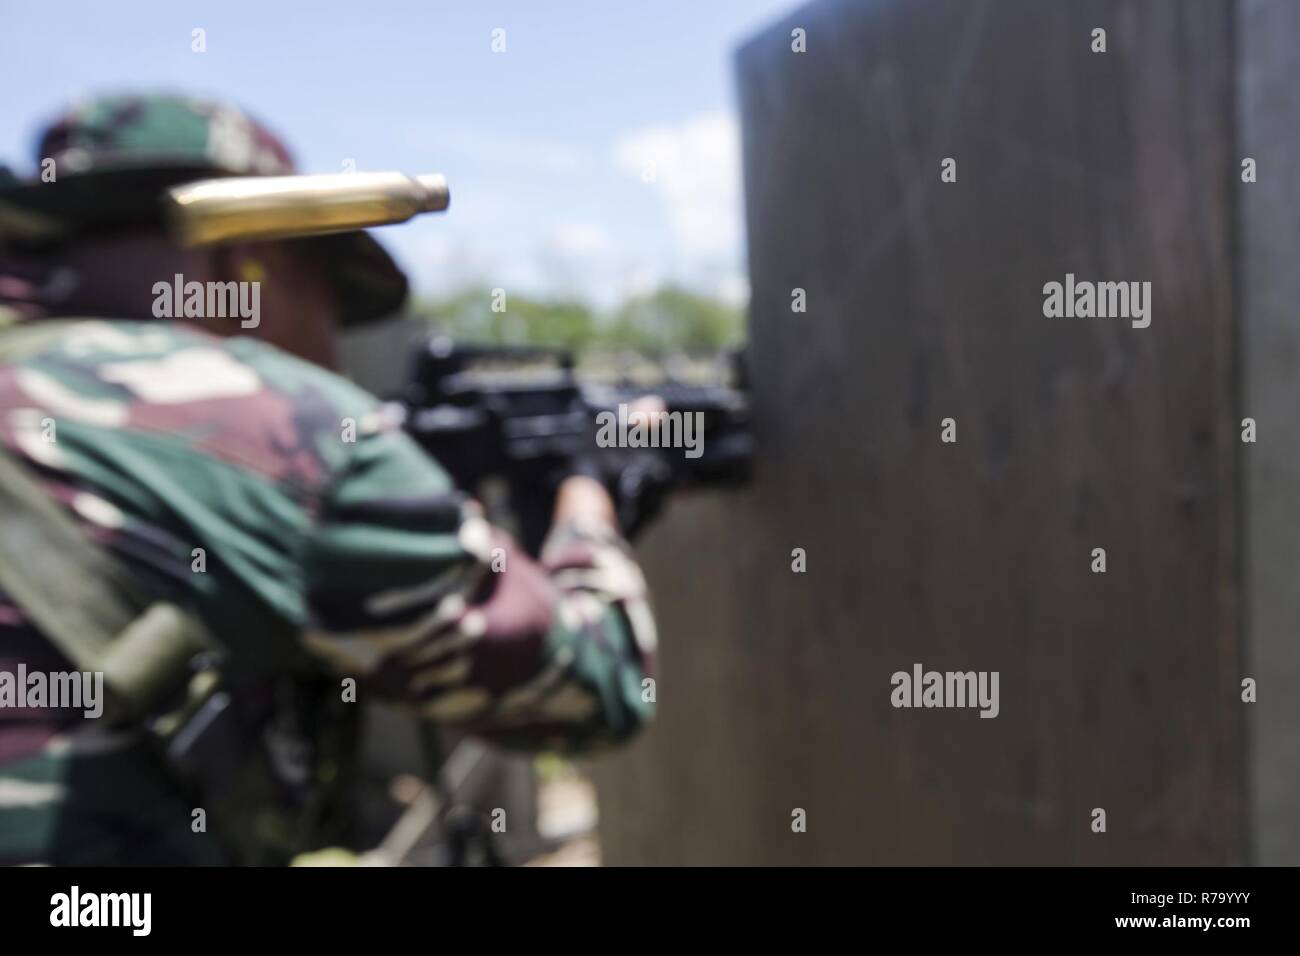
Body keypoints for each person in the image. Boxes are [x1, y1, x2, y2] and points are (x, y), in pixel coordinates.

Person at [0, 94, 657, 865]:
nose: (335, 355)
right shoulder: (275, 428)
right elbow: (596, 691)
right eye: (328, 297)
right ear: (248, 261)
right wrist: (590, 490)